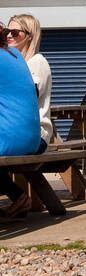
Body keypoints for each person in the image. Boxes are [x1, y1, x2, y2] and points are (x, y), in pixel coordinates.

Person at [0, 23, 44, 219]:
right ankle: (18, 197)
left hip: (13, 141)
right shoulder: (15, 55)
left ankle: (18, 196)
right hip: (33, 141)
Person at [6, 14, 52, 146]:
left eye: (14, 33)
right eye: (7, 32)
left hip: (36, 134)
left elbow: (26, 99)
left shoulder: (37, 62)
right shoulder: (13, 63)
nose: (9, 36)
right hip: (16, 130)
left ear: (29, 35)